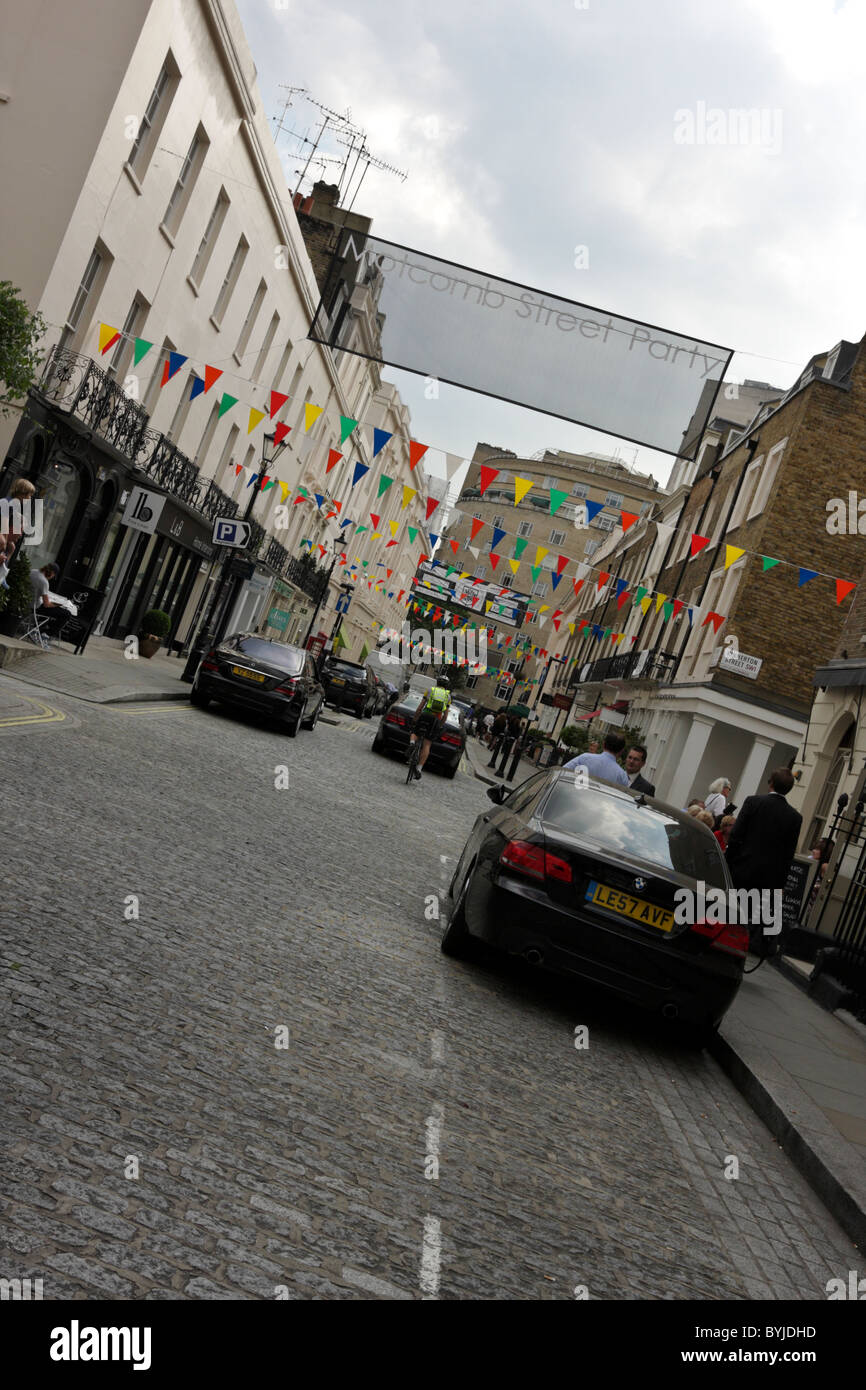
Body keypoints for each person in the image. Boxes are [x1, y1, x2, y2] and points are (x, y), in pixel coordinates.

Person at [725, 766, 802, 900]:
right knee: (748, 918)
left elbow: (735, 836)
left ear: (771, 782)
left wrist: (728, 863)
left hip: (741, 870)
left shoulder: (753, 802)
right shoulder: (795, 817)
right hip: (768, 880)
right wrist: (780, 885)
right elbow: (788, 854)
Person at [407, 677, 451, 780]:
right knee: (427, 744)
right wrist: (440, 725)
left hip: (425, 715)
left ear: (437, 682)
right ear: (446, 686)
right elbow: (445, 715)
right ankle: (419, 768)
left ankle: (412, 744)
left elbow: (421, 706)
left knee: (415, 732)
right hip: (435, 719)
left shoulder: (430, 690)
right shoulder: (448, 696)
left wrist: (415, 718)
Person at [563, 731, 629, 787]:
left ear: (603, 744)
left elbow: (562, 772)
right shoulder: (622, 776)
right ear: (621, 752)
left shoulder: (584, 758)